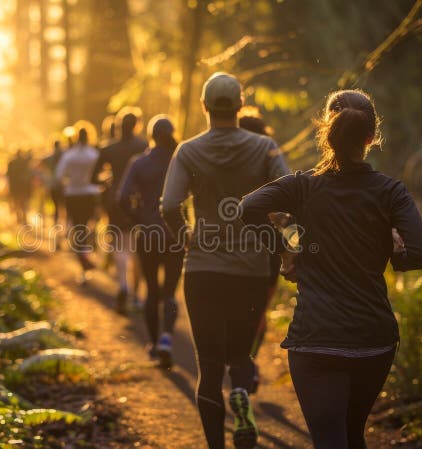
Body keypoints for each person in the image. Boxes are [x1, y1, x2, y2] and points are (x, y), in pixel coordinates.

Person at [239, 89, 422, 449]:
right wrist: (396, 255)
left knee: (331, 440)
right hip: (374, 339)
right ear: (371, 137)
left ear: (327, 133)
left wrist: (285, 249)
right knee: (353, 434)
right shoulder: (390, 191)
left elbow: (247, 208)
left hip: (316, 338)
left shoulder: (303, 186)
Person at [161, 72, 290, 449]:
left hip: (203, 268)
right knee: (239, 356)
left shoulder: (188, 151)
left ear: (204, 105)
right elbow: (287, 198)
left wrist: (186, 236)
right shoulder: (265, 148)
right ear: (240, 105)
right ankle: (242, 398)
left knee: (210, 365)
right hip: (250, 270)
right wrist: (275, 233)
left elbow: (169, 205)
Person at [118, 115, 183, 369]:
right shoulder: (180, 161)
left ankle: (154, 345)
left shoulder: (139, 163)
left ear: (151, 135)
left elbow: (122, 197)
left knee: (152, 291)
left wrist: (137, 218)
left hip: (147, 234)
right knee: (170, 292)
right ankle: (167, 338)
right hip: (175, 234)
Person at [237, 113, 281, 394]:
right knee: (260, 312)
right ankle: (249, 361)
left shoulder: (227, 161)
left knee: (234, 310)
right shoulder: (268, 158)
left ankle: (241, 363)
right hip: (267, 246)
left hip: (230, 247)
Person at [92, 107, 148, 313]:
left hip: (114, 199)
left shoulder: (108, 148)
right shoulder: (143, 145)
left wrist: (107, 182)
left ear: (117, 126)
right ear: (137, 125)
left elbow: (94, 177)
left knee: (118, 243)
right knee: (136, 246)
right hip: (138, 200)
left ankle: (123, 285)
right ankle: (136, 294)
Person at [55, 128, 101, 284]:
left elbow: (59, 176)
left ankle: (83, 262)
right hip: (90, 194)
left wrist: (70, 182)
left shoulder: (69, 155)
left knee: (78, 228)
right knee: (89, 226)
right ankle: (88, 256)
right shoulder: (94, 154)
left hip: (73, 195)